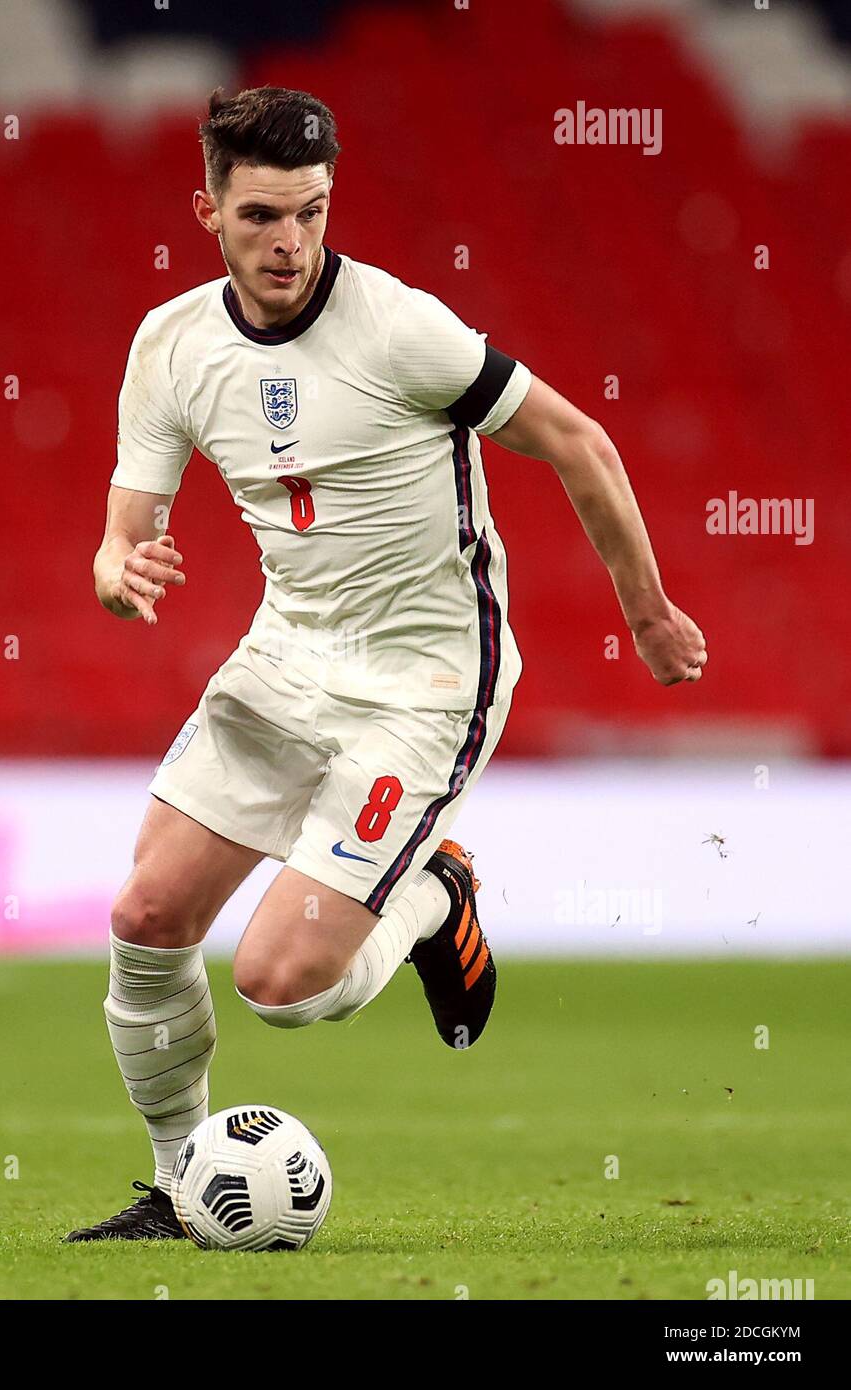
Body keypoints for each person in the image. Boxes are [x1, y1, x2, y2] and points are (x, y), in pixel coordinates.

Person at [66, 86, 706, 1243]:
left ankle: (434, 895)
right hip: (286, 655)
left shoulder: (401, 329)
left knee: (283, 984)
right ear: (207, 210)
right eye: (262, 214)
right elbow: (125, 529)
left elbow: (578, 439)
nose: (290, 241)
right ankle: (175, 1184)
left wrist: (649, 614)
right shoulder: (172, 344)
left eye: (310, 212)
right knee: (146, 913)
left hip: (425, 679)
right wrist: (118, 567)